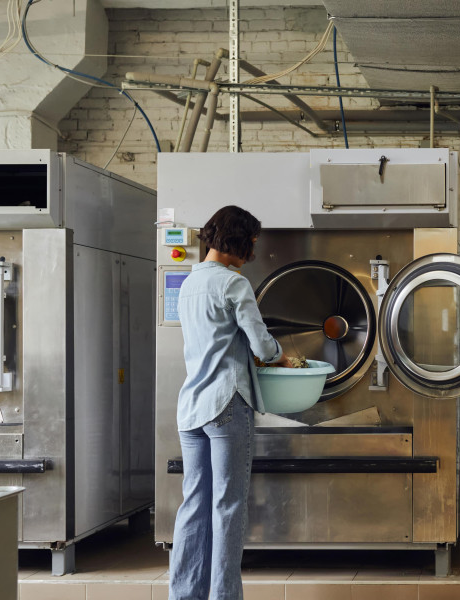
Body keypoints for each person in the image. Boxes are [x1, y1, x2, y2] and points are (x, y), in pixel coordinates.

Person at [169, 205, 294, 600]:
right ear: (240, 241)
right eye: (251, 244)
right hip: (226, 404)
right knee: (227, 506)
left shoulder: (189, 283)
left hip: (191, 406)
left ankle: (184, 595)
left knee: (193, 505)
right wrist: (281, 354)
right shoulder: (233, 283)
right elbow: (262, 345)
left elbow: (214, 340)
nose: (251, 254)